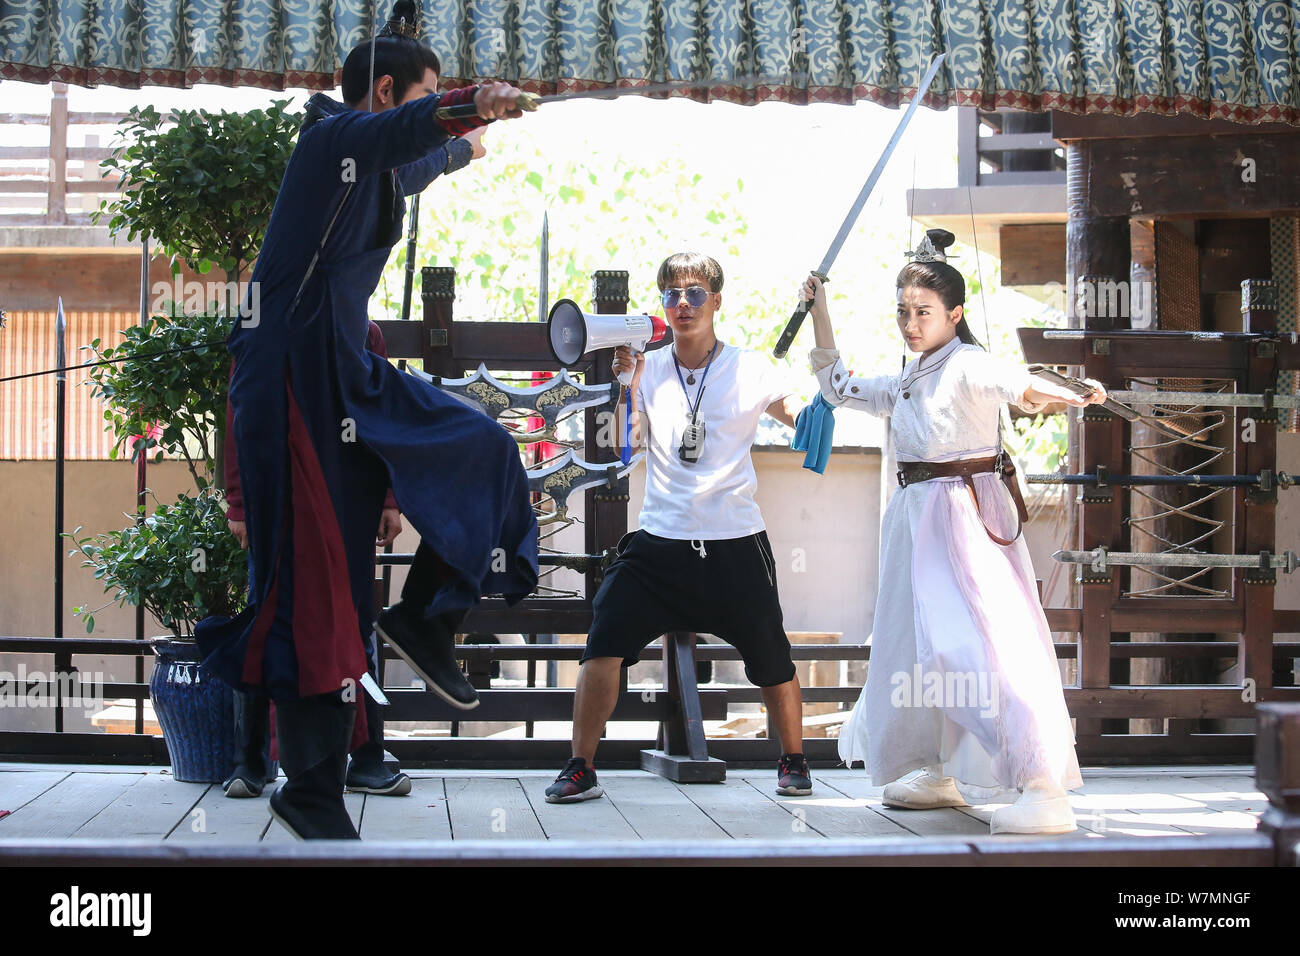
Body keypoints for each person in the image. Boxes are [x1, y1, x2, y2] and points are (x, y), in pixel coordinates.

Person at [196, 18, 538, 840]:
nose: (427, 107)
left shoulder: (371, 168)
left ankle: (425, 616)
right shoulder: (329, 141)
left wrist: (467, 140)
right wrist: (467, 103)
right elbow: (405, 132)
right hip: (290, 382)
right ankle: (309, 789)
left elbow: (415, 158)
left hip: (350, 373)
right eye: (422, 90)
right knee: (307, 592)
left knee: (485, 447)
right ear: (386, 92)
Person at [804, 228, 1105, 835]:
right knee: (912, 645)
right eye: (903, 312)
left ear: (955, 314)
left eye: (923, 312)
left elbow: (1017, 384)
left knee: (981, 646)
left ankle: (1043, 786)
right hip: (917, 522)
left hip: (963, 518)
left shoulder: (967, 363)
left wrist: (1065, 393)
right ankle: (935, 767)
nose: (910, 323)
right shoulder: (910, 376)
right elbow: (836, 386)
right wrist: (820, 311)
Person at [544, 252, 812, 804]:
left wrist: (821, 394)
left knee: (770, 653)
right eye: (671, 295)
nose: (682, 304)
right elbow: (621, 447)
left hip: (735, 540)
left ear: (717, 299)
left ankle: (793, 760)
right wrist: (625, 385)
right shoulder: (650, 367)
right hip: (659, 541)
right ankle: (580, 766)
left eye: (694, 293)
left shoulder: (750, 366)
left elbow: (802, 421)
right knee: (603, 641)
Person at [223, 321, 418, 799]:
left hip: (347, 500)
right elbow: (237, 412)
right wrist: (239, 502)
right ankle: (249, 763)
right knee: (265, 616)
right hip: (275, 497)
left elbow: (380, 413)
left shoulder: (361, 331)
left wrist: (390, 498)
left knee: (356, 622)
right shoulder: (258, 325)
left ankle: (367, 759)